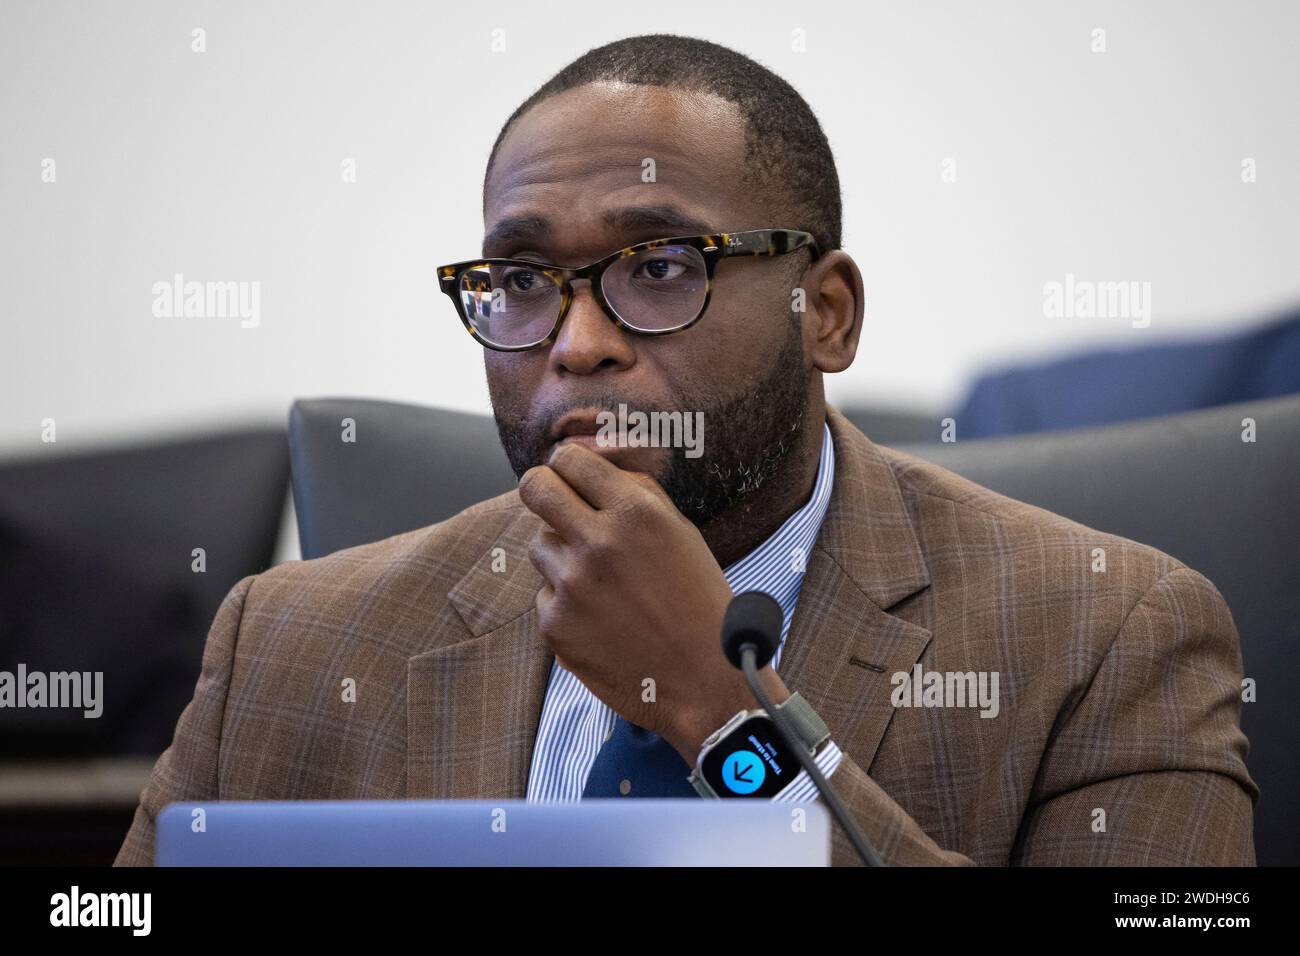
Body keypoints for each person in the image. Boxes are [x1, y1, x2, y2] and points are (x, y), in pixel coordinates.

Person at [116, 34, 1256, 867]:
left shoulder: (1110, 636)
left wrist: (721, 713)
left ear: (825, 314)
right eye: (521, 281)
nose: (578, 344)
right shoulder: (285, 646)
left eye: (661, 267)